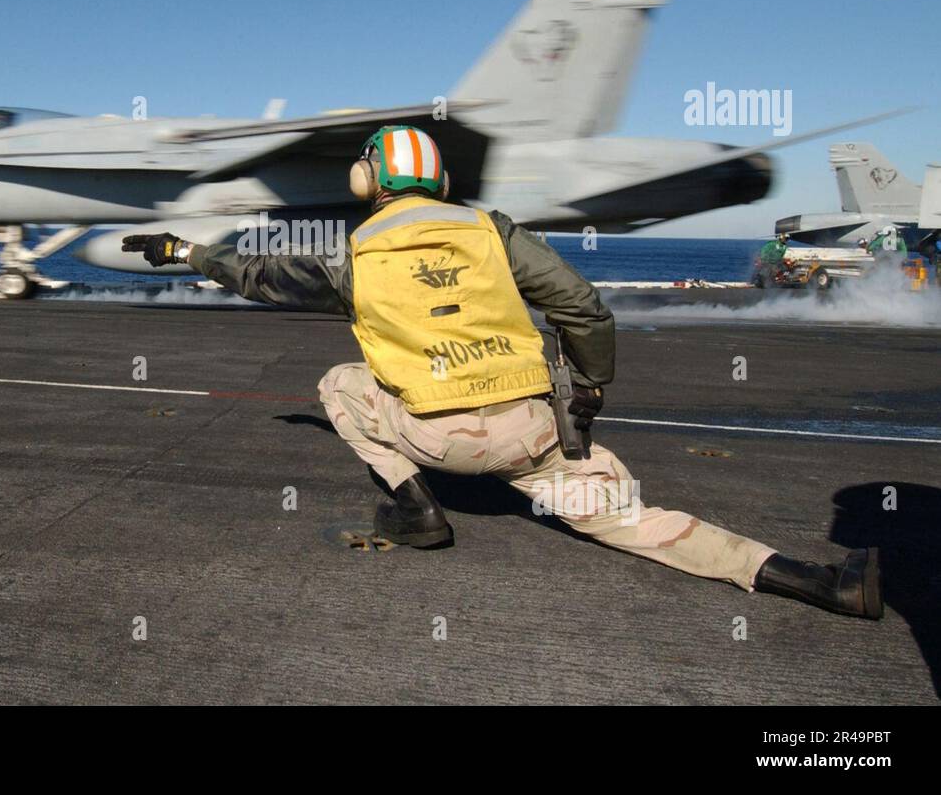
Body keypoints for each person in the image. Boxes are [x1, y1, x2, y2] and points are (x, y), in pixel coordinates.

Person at [123, 125, 882, 619]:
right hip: (533, 433)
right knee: (638, 522)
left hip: (435, 437)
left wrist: (185, 253)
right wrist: (588, 391)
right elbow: (583, 308)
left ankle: (417, 510)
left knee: (339, 385)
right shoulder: (492, 230)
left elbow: (259, 275)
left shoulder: (350, 255)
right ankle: (822, 583)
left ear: (369, 183)